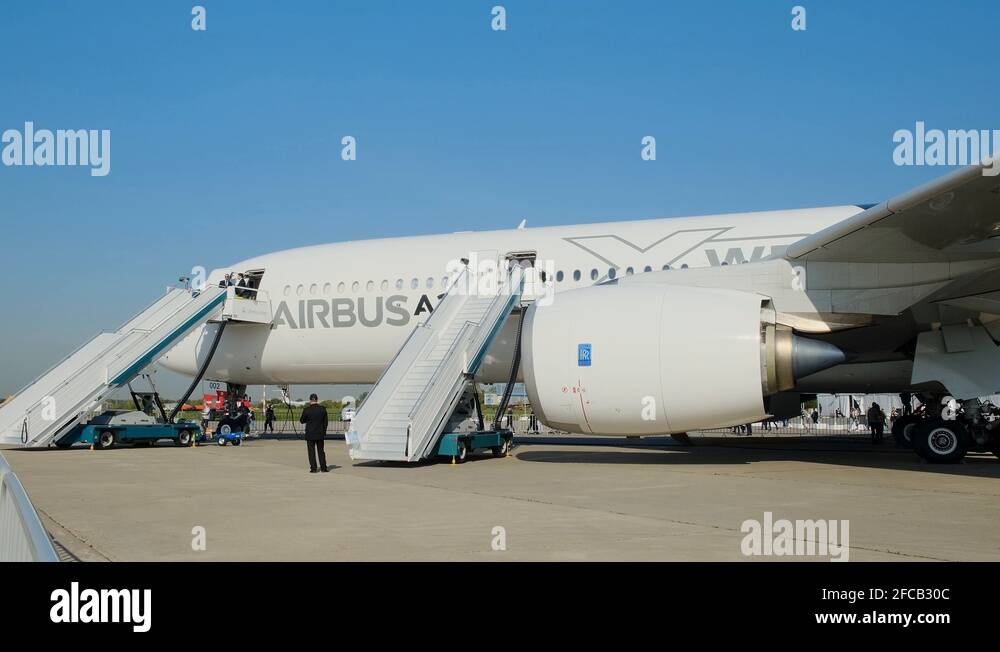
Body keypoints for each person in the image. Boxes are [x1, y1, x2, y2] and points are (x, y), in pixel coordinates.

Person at [299, 393, 330, 473]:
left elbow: (302, 421)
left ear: (310, 400)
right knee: (321, 451)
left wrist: (308, 419)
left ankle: (313, 468)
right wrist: (324, 432)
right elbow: (325, 422)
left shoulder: (307, 410)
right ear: (317, 399)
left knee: (311, 452)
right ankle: (323, 468)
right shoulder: (323, 409)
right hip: (320, 434)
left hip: (310, 434)